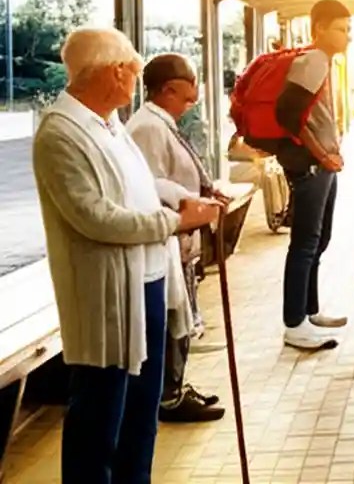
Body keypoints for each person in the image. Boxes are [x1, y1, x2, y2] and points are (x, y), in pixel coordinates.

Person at [32, 28, 219, 483]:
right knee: (100, 417)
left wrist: (179, 198)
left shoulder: (110, 123)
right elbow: (95, 217)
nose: (136, 78)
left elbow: (137, 184)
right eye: (133, 70)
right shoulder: (61, 133)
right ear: (115, 72)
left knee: (140, 414)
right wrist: (175, 222)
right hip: (106, 300)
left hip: (148, 281)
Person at [126, 53, 227, 423]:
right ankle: (168, 395)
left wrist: (203, 195)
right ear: (167, 89)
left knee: (182, 312)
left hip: (180, 237)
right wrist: (186, 206)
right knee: (173, 317)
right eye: (187, 96)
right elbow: (149, 186)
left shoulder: (162, 123)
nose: (193, 102)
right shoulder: (148, 128)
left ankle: (177, 384)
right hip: (167, 237)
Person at [273, 0, 351, 350]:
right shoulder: (314, 61)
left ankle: (309, 310)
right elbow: (288, 113)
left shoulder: (326, 63)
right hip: (311, 166)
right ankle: (294, 324)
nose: (347, 36)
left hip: (323, 164)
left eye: (349, 30)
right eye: (340, 29)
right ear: (319, 28)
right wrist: (320, 154)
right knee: (304, 243)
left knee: (319, 240)